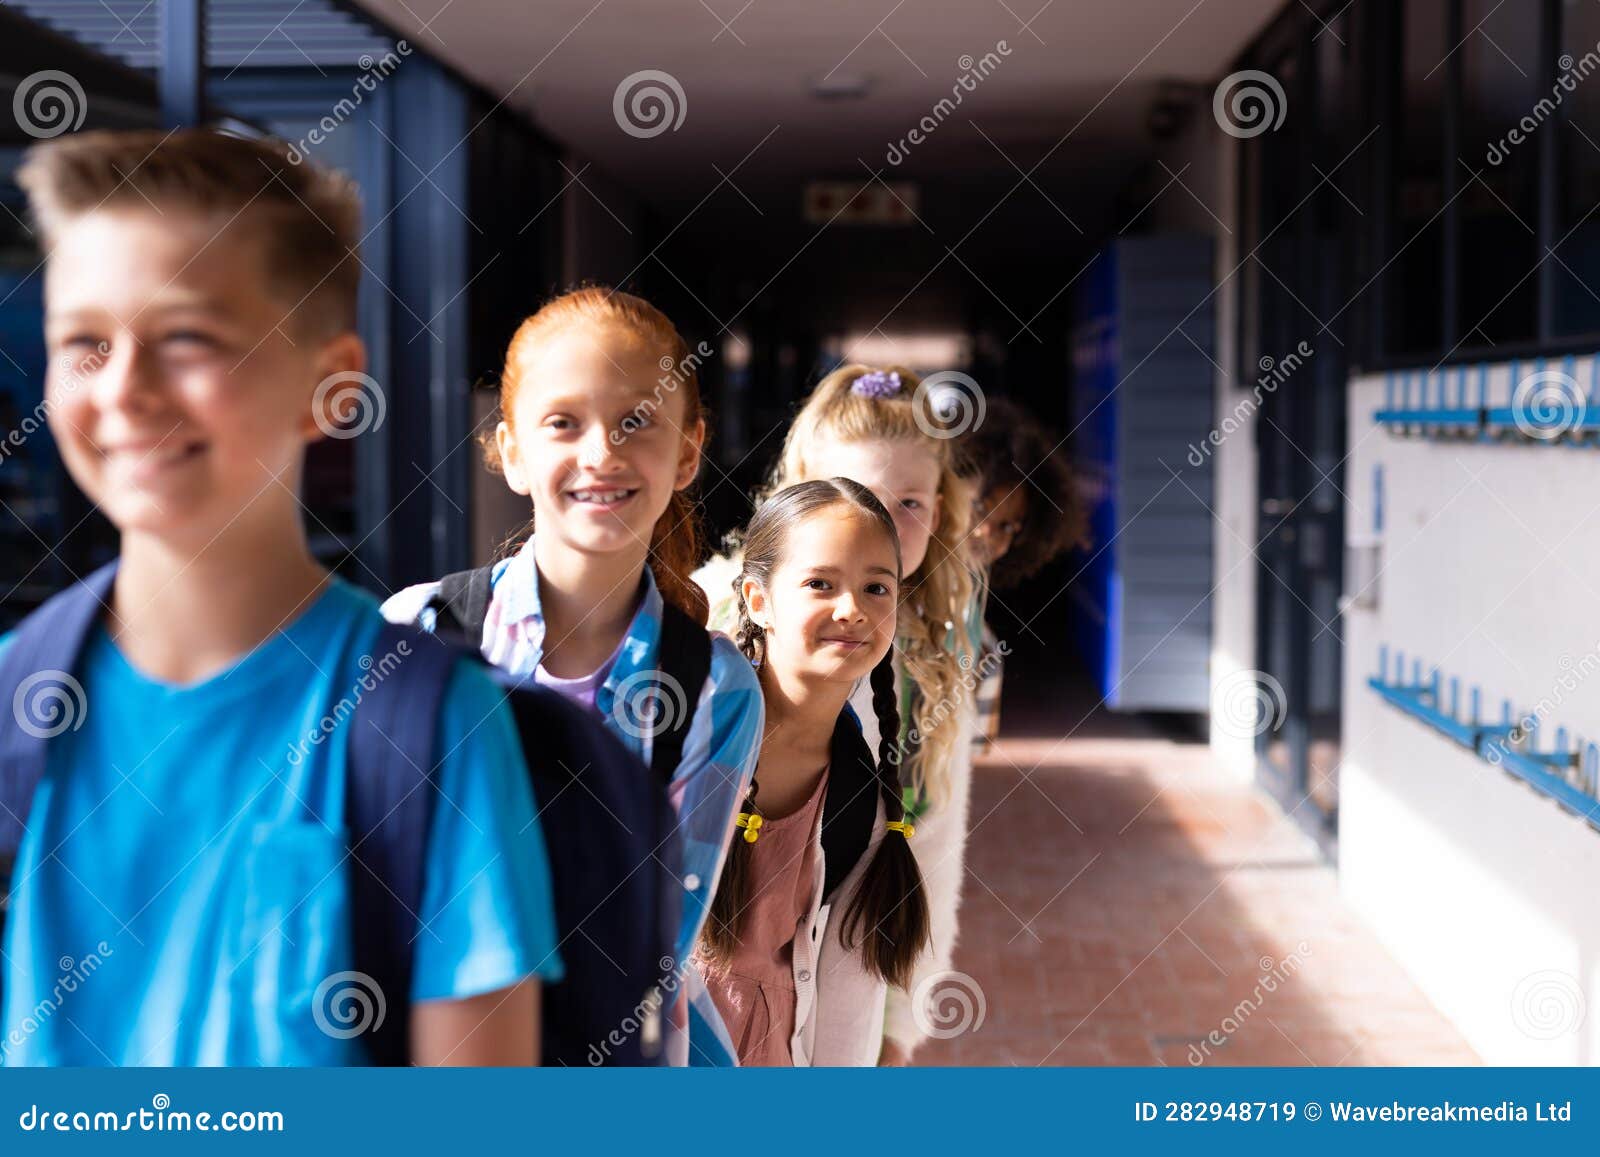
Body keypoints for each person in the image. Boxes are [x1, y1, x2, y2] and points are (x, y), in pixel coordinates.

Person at [0, 129, 560, 1066]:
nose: (125, 391)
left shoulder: (423, 729)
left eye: (186, 339)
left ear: (330, 382)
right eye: (85, 342)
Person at [382, 287, 762, 1066]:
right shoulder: (418, 630)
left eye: (635, 422)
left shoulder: (716, 691)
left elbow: (660, 932)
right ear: (511, 451)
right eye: (564, 422)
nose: (601, 453)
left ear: (687, 451)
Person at [694, 363, 976, 1064]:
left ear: (938, 511)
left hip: (826, 1017)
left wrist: (898, 1028)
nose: (879, 522)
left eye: (908, 502)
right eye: (858, 493)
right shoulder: (706, 626)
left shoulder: (935, 672)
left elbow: (931, 856)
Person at [696, 478, 929, 1065]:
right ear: (757, 600)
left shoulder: (860, 802)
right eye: (820, 583)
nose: (852, 609)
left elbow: (848, 1009)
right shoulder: (689, 727)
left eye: (877, 587)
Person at [959, 396, 1089, 749]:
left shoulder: (974, 605)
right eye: (980, 511)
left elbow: (978, 744)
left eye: (1007, 527)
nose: (987, 533)